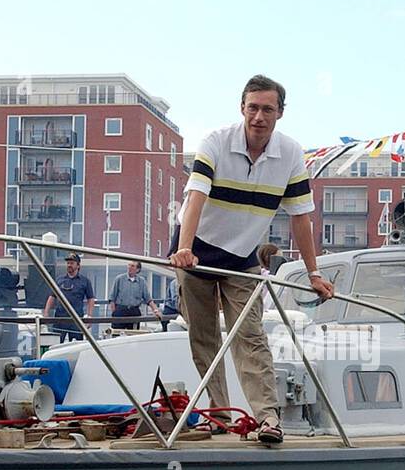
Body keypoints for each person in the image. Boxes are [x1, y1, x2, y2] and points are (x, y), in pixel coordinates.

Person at [170, 74, 333, 445]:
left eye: (268, 109)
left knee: (250, 334)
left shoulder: (290, 153)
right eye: (253, 108)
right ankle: (219, 413)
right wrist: (185, 247)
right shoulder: (215, 142)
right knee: (204, 335)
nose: (259, 117)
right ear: (242, 109)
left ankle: (267, 418)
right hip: (196, 249)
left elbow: (301, 217)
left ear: (280, 113)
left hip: (242, 256)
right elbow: (196, 195)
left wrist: (313, 273)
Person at [42, 253, 96, 342]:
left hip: (76, 318)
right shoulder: (59, 280)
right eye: (68, 263)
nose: (69, 265)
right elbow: (52, 296)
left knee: (76, 345)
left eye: (72, 263)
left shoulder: (85, 281)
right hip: (60, 318)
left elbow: (91, 299)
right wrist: (46, 312)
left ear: (78, 265)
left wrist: (89, 316)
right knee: (56, 343)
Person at [108, 261, 159, 331]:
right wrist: (114, 312)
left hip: (134, 311)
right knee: (116, 333)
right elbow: (112, 297)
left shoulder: (142, 281)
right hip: (120, 311)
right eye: (129, 265)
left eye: (132, 266)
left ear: (137, 269)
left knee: (133, 334)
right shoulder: (119, 279)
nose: (129, 267)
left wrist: (156, 310)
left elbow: (148, 299)